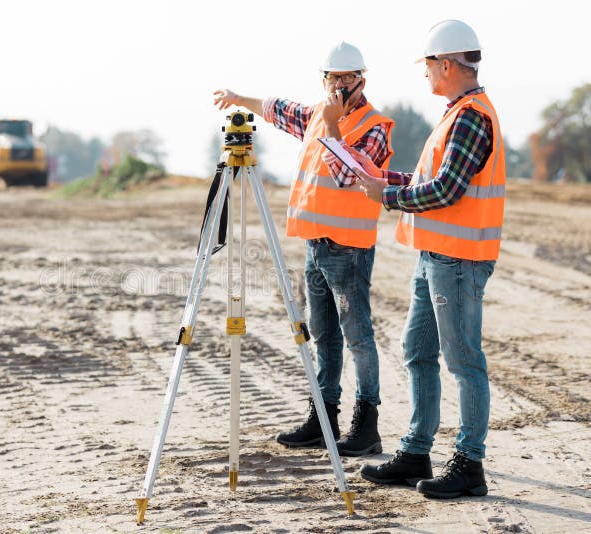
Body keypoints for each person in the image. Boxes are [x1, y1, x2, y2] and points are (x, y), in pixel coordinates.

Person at [213, 42, 395, 457]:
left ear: (362, 80)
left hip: (349, 249)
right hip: (317, 245)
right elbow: (277, 108)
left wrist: (332, 125)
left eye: (349, 78)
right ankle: (321, 418)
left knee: (357, 336)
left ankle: (367, 425)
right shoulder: (315, 115)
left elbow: (348, 175)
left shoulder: (375, 125)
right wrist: (238, 98)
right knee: (322, 335)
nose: (342, 85)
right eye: (335, 78)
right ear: (325, 79)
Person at [352, 20, 505, 498]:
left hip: (457, 259)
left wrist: (390, 196)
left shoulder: (471, 117)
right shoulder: (456, 112)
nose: (424, 75)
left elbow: (446, 189)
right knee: (417, 351)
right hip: (435, 256)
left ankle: (469, 464)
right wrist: (383, 179)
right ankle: (417, 450)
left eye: (427, 66)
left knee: (463, 361)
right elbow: (428, 177)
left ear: (445, 64)